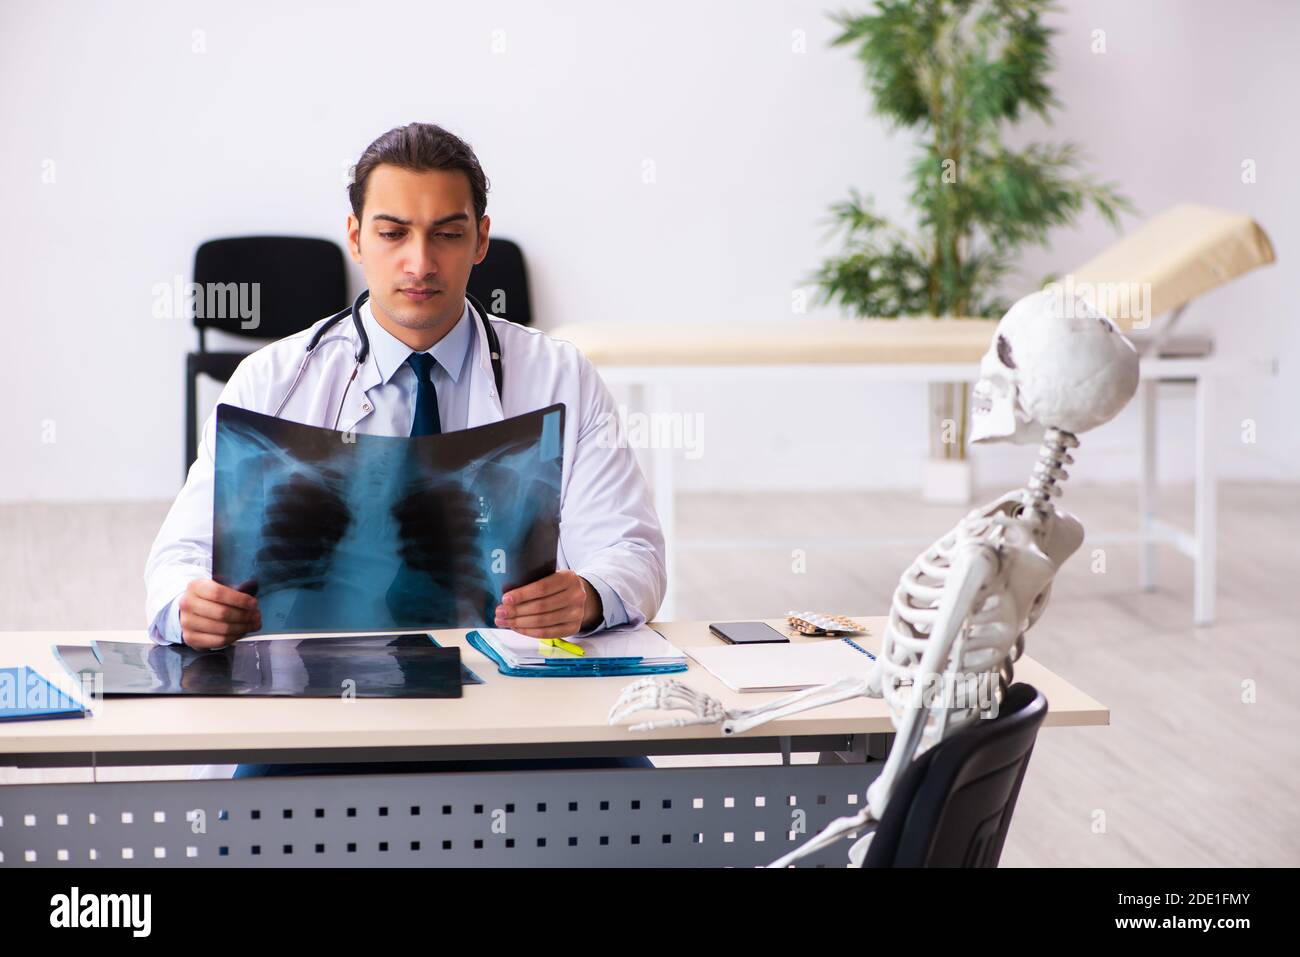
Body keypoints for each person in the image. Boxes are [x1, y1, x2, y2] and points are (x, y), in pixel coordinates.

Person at [144, 122, 666, 776]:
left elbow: (635, 551)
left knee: (634, 800)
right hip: (322, 704)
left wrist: (588, 594)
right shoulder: (274, 380)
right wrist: (189, 603)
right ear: (357, 238)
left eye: (447, 234)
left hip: (523, 701)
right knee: (251, 807)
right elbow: (176, 559)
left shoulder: (561, 376)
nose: (419, 262)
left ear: (480, 240)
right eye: (393, 233)